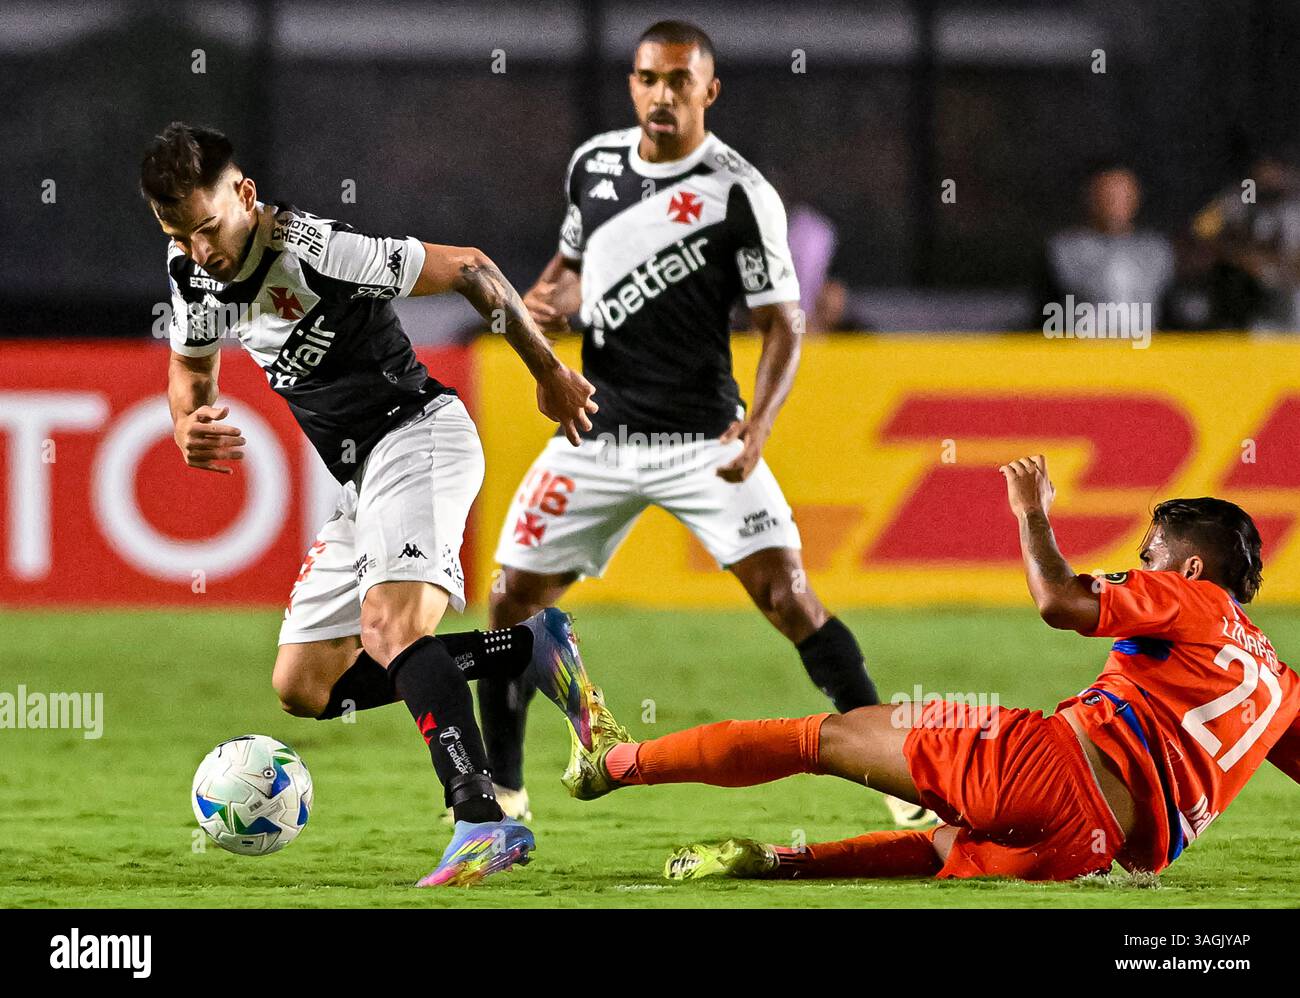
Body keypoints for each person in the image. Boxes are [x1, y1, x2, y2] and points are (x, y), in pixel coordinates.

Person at [479, 19, 917, 826]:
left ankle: (901, 779)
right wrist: (546, 302)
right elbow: (570, 271)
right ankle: (499, 797)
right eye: (649, 78)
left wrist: (759, 430)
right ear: (632, 85)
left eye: (680, 80)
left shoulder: (739, 191)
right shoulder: (594, 166)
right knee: (509, 601)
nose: (662, 94)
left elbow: (784, 323)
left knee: (787, 595)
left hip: (702, 443)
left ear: (709, 91)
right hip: (597, 436)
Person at [142, 121, 599, 886]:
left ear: (244, 195)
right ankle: (529, 648)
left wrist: (548, 372)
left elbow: (472, 269)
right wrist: (186, 423)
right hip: (365, 480)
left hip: (420, 436)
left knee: (389, 629)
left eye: (209, 228)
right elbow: (189, 376)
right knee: (303, 685)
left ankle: (482, 818)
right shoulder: (191, 271)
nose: (199, 250)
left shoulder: (315, 249)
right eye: (180, 236)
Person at [534, 455, 1299, 882]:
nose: (1141, 567)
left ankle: (613, 763)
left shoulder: (1192, 601)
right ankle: (774, 861)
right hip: (1094, 853)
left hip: (1053, 768)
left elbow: (1060, 602)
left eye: (1151, 556)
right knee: (943, 844)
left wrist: (1032, 512)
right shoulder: (1280, 685)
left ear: (1193, 567)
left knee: (824, 738)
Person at [1034, 164, 1174, 333]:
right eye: (1108, 195)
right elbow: (1047, 307)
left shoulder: (1155, 250)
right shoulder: (1067, 248)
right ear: (1091, 199)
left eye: (1123, 195)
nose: (1115, 203)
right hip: (1084, 346)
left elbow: (1170, 305)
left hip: (1146, 346)